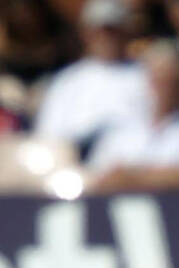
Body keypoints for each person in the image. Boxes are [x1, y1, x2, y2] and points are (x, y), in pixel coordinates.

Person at [87, 41, 179, 191]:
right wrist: (154, 176)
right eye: (157, 79)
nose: (163, 87)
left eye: (170, 80)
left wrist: (129, 175)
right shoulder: (121, 127)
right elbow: (101, 178)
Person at [34, 0, 151, 159]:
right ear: (85, 34)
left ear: (127, 32)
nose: (106, 38)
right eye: (99, 31)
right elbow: (47, 138)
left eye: (113, 31)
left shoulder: (146, 76)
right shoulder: (68, 81)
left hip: (132, 165)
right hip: (76, 165)